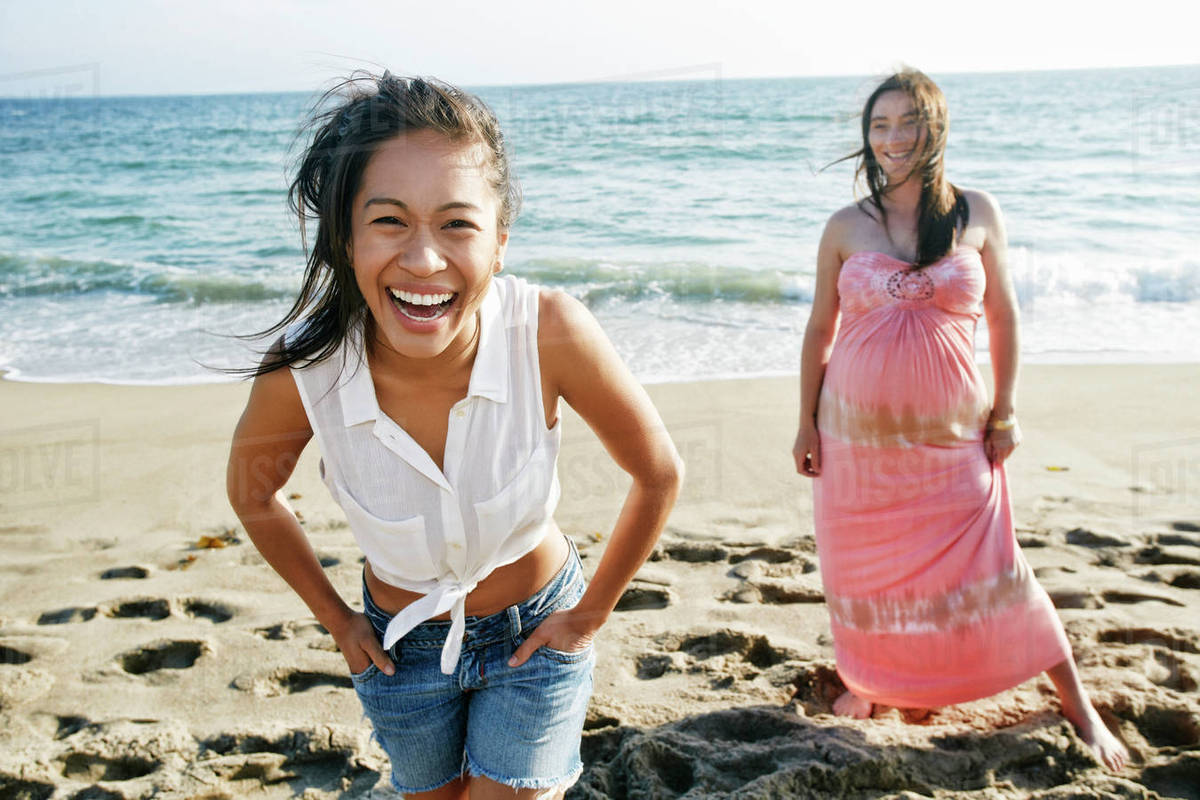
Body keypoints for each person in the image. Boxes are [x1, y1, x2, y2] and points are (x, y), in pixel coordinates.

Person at [226, 73, 683, 799]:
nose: (424, 259)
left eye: (457, 224)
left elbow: (659, 472)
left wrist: (587, 616)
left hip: (537, 637)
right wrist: (338, 622)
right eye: (389, 221)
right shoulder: (305, 372)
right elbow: (252, 496)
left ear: (500, 241)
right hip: (398, 653)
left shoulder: (550, 331)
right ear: (345, 238)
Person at [792, 68, 1126, 771]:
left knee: (997, 565)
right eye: (879, 126)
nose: (892, 139)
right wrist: (805, 422)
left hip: (954, 437)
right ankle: (874, 682)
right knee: (865, 574)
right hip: (855, 441)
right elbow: (820, 328)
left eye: (906, 123)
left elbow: (1003, 316)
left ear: (935, 129)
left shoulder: (976, 213)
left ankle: (1078, 704)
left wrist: (1007, 409)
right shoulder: (845, 226)